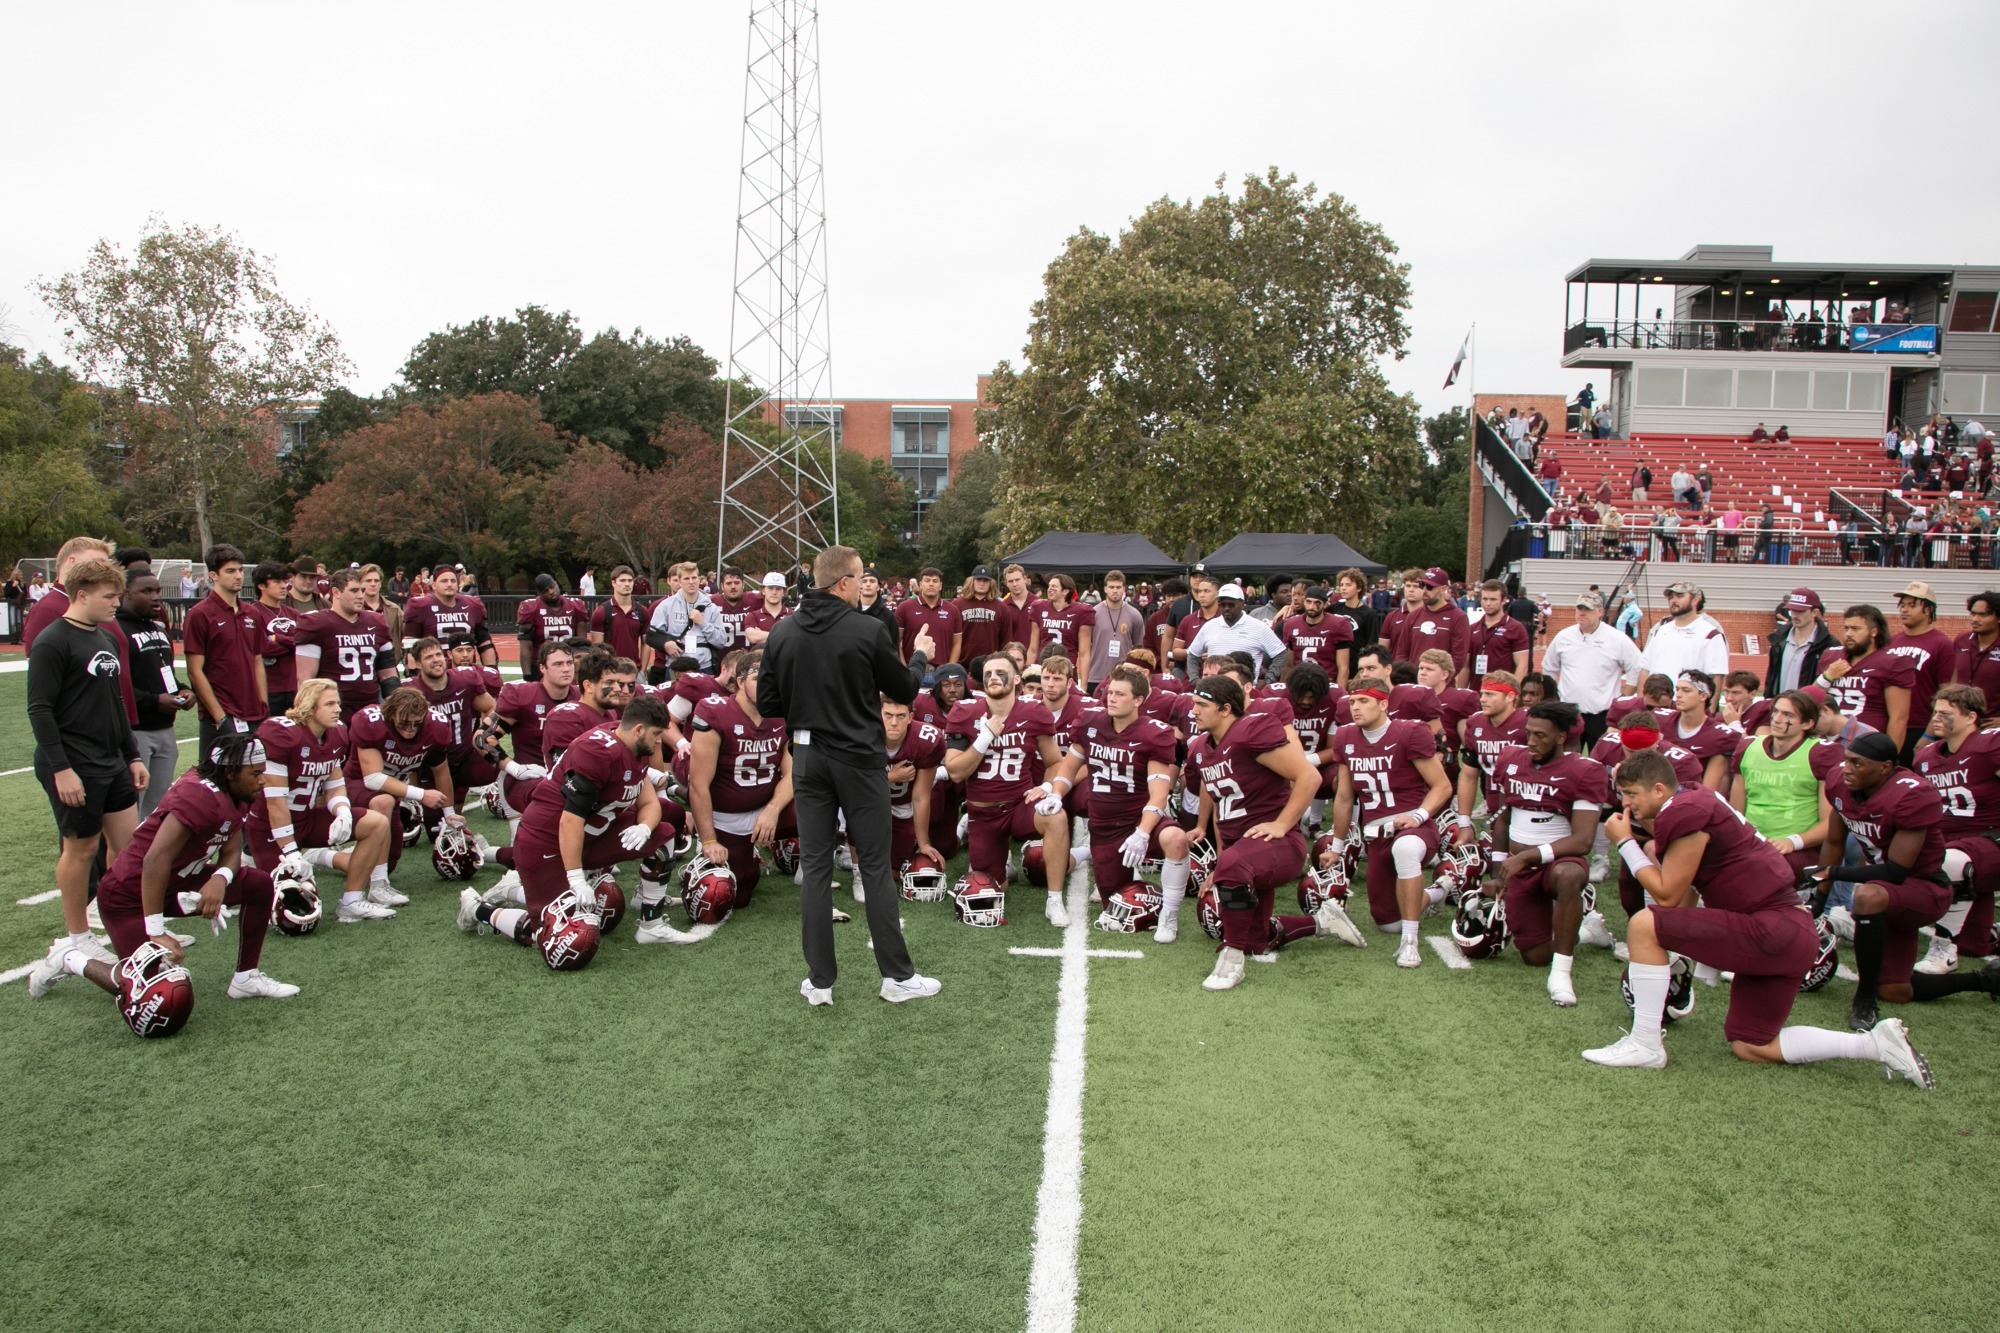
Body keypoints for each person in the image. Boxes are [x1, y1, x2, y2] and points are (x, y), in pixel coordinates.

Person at [1583, 749, 1935, 1087]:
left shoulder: (1682, 810)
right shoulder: (1693, 795)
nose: (1627, 804)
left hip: (1770, 929)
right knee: (1751, 1043)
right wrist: (1675, 947)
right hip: (1790, 934)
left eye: (1631, 794)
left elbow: (1666, 894)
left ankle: (1645, 1044)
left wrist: (1625, 843)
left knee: (1644, 923)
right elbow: (1682, 895)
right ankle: (1873, 1045)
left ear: (1659, 789)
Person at [757, 545, 939, 1005]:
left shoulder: (782, 631)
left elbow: (768, 704)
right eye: (859, 579)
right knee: (874, 866)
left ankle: (820, 983)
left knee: (816, 867)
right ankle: (897, 978)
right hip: (857, 759)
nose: (864, 586)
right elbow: (904, 689)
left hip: (808, 758)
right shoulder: (867, 629)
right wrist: (919, 656)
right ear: (842, 583)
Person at [26, 728, 301, 1023]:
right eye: (255, 772)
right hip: (128, 896)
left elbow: (232, 852)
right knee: (154, 994)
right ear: (231, 772)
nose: (263, 779)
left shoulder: (237, 791)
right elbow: (155, 859)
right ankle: (70, 959)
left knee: (258, 883)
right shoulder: (198, 795)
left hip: (178, 883)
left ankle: (245, 979)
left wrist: (220, 879)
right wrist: (156, 931)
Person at [457, 696, 678, 971]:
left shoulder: (632, 745)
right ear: (639, 730)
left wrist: (644, 826)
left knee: (662, 835)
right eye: (657, 734)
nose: (659, 742)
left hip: (591, 836)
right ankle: (481, 908)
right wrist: (576, 879)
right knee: (559, 939)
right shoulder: (598, 751)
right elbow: (570, 821)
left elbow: (648, 803)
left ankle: (651, 924)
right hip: (546, 841)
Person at [29, 556, 148, 962]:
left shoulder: (106, 638)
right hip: (72, 763)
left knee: (128, 845)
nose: (116, 603)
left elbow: (115, 702)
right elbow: (40, 710)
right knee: (80, 849)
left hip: (111, 759)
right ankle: (77, 934)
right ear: (81, 594)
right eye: (108, 596)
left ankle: (125, 920)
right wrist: (62, 770)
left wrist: (131, 755)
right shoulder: (52, 641)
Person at [1818, 733, 1967, 1034]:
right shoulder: (1840, 782)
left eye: (1857, 763)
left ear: (1885, 767)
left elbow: (1897, 871)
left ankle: (1865, 999)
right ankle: (1985, 980)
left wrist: (1831, 873)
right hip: (1885, 893)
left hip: (1924, 889)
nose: (1846, 768)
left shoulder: (1912, 794)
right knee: (1896, 991)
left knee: (1868, 896)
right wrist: (1817, 901)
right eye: (1846, 760)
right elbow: (1834, 841)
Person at [1189, 676, 1328, 989]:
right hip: (1244, 851)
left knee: (1239, 931)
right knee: (1257, 940)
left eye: (1202, 705)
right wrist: (1222, 862)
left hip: (1279, 845)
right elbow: (1222, 814)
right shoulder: (1201, 746)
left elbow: (1310, 777)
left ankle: (1232, 958)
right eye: (1194, 703)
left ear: (1226, 709)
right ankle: (1321, 922)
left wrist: (1282, 824)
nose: (1193, 711)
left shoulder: (1248, 732)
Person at [1479, 702, 1613, 1005]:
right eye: (1528, 733)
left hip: (1557, 862)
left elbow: (1581, 842)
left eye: (1541, 735)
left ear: (1562, 737)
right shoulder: (1511, 759)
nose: (1531, 741)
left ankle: (1562, 971)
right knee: (1534, 956)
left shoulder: (1584, 770)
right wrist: (1497, 871)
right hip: (1518, 867)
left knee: (1570, 875)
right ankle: (1588, 931)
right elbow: (1502, 818)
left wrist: (1528, 856)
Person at [1048, 664, 1188, 928]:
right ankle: (1093, 854)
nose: (1111, 698)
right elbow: (1069, 766)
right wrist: (1056, 793)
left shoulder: (1153, 733)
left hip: (1138, 819)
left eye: (1120, 694)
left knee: (1176, 839)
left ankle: (1169, 916)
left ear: (1138, 700)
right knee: (1117, 907)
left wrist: (1143, 833)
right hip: (1104, 827)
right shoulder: (1091, 723)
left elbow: (1159, 796)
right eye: (1110, 692)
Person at [244, 679, 395, 921]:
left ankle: (352, 901)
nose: (337, 709)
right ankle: (244, 875)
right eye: (330, 704)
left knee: (376, 823)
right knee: (297, 915)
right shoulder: (282, 735)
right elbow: (276, 803)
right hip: (270, 831)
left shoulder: (336, 734)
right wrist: (291, 852)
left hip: (306, 819)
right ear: (309, 707)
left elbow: (335, 786)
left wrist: (343, 811)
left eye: (338, 703)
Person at [1326, 679, 1453, 969]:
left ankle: (1410, 941)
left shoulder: (1409, 732)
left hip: (1413, 826)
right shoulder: (1346, 737)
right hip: (1375, 835)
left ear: (1384, 704)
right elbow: (1345, 797)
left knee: (1406, 849)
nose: (1355, 708)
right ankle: (1437, 892)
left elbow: (1442, 786)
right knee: (1388, 923)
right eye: (1352, 702)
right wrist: (1337, 846)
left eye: (1364, 701)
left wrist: (1418, 816)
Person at [663, 649, 793, 921]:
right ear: (739, 680)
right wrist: (709, 839)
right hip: (725, 816)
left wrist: (772, 810)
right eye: (759, 677)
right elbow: (699, 784)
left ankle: (812, 879)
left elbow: (794, 774)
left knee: (823, 804)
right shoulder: (716, 711)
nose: (767, 683)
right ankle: (706, 851)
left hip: (763, 808)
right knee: (734, 896)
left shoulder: (783, 713)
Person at [942, 655, 1072, 927]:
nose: (992, 677)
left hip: (1020, 805)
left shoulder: (1034, 712)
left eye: (1000, 672)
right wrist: (985, 736)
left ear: (1016, 679)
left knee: (1056, 816)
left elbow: (1055, 763)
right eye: (988, 673)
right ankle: (1002, 865)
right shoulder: (964, 712)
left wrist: (1047, 788)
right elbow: (955, 771)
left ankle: (1055, 899)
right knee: (991, 890)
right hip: (983, 812)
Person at [344, 686, 456, 904]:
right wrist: (421, 794)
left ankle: (322, 857)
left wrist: (449, 813)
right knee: (384, 801)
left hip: (392, 792)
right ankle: (378, 887)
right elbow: (373, 779)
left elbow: (441, 771)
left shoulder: (435, 727)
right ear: (390, 715)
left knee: (389, 861)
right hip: (356, 785)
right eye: (404, 723)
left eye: (417, 723)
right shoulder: (372, 723)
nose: (410, 729)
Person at [116, 568, 192, 819]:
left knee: (156, 806)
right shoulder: (115, 629)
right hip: (135, 731)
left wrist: (183, 690)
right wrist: (153, 701)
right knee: (130, 808)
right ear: (126, 593)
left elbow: (164, 673)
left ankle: (147, 857)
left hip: (165, 729)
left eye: (157, 591)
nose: (155, 597)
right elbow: (115, 687)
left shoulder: (159, 628)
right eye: (146, 591)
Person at [288, 568, 398, 723]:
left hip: (371, 710)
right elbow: (306, 680)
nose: (361, 596)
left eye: (362, 590)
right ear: (336, 592)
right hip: (332, 711)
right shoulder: (315, 623)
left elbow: (388, 675)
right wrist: (309, 716)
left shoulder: (377, 622)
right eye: (354, 590)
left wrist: (396, 704)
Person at [1540, 592, 1642, 748]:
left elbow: (1636, 667)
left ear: (1600, 612)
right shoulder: (1563, 637)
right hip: (1569, 714)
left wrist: (1623, 698)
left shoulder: (1616, 638)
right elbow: (1548, 668)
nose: (1581, 613)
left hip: (1602, 715)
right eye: (1579, 609)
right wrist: (1553, 699)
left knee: (1601, 761)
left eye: (1587, 609)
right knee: (1567, 761)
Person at [1818, 605, 1914, 755]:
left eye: (1855, 629)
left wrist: (1887, 756)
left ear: (1874, 632)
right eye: (1846, 628)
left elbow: (1899, 718)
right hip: (1825, 738)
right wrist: (1826, 676)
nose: (1848, 634)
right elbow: (1811, 699)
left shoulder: (1893, 662)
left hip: (1865, 743)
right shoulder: (1831, 656)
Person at [1887, 581, 1953, 761]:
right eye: (1903, 605)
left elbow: (1946, 693)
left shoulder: (1942, 644)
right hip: (1890, 723)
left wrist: (1929, 735)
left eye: (1912, 605)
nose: (1904, 610)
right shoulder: (1892, 641)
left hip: (1920, 726)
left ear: (1928, 610)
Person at [1186, 582, 1288, 682]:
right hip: (1214, 689)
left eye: (1231, 605)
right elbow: (1193, 655)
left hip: (1245, 690)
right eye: (1222, 604)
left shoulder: (1259, 627)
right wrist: (1194, 679)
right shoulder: (1209, 626)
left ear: (1242, 604)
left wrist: (1269, 678)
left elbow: (1281, 654)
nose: (1226, 608)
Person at [403, 564, 495, 669]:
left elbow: (485, 644)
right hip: (433, 674)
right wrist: (416, 677)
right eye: (444, 581)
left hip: (465, 672)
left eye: (453, 581)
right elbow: (410, 649)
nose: (449, 584)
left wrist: (491, 672)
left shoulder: (472, 605)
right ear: (433, 585)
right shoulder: (421, 606)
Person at [1640, 580, 1729, 681]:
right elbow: (1645, 668)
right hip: (1656, 695)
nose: (1673, 600)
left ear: (1695, 600)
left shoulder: (1710, 633)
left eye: (1679, 596)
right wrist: (1641, 696)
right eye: (1671, 597)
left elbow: (1716, 675)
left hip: (1688, 695)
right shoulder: (1660, 630)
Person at [1765, 588, 1836, 697]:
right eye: (1792, 610)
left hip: (1807, 710)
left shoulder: (1830, 645)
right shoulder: (1779, 640)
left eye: (1800, 611)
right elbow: (1771, 678)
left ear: (1814, 612)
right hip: (1779, 708)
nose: (1794, 615)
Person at [1279, 584, 1354, 687]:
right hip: (1299, 682)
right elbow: (1289, 665)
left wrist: (1340, 693)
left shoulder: (1338, 625)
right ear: (1304, 601)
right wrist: (1282, 688)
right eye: (1308, 602)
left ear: (1325, 605)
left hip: (1326, 683)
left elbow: (1343, 667)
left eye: (1317, 603)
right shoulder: (1291, 624)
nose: (1312, 607)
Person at [516, 574, 586, 680]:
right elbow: (526, 645)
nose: (550, 592)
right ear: (539, 594)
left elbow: (581, 644)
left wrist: (582, 669)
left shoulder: (575, 606)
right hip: (542, 665)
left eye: (552, 587)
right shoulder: (531, 608)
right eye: (545, 591)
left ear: (556, 584)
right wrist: (527, 675)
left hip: (568, 663)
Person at [1087, 569, 1147, 692]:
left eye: (1118, 587)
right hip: (1096, 676)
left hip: (1124, 677)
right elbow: (1085, 647)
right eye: (1111, 587)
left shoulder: (1134, 615)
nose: (1115, 590)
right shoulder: (1093, 613)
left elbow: (1138, 648)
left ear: (1124, 589)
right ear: (1105, 589)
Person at [1463, 578, 1529, 686]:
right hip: (1476, 693)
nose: (1488, 603)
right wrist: (1461, 693)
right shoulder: (1472, 629)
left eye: (1493, 599)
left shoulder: (1516, 628)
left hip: (1501, 695)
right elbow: (1465, 667)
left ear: (1503, 600)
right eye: (1485, 599)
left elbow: (1522, 666)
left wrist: (1512, 691)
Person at [706, 568, 757, 655]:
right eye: (729, 583)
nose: (733, 586)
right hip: (720, 660)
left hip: (749, 660)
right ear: (722, 586)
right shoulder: (710, 601)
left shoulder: (756, 599)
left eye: (737, 583)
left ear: (743, 584)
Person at [1331, 568, 1379, 651]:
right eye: (1341, 585)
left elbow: (1372, 644)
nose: (1343, 588)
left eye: (1348, 585)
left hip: (1358, 660)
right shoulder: (1335, 608)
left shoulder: (1369, 614)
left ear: (1359, 588)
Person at [743, 571, 792, 645]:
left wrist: (763, 635)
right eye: (770, 588)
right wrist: (785, 637)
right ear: (763, 591)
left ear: (783, 592)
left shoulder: (793, 615)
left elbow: (796, 640)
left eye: (778, 589)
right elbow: (753, 638)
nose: (774, 592)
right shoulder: (753, 616)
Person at [854, 565, 897, 637]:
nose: (868, 584)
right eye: (864, 581)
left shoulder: (888, 616)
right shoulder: (850, 611)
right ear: (859, 585)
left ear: (878, 587)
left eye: (872, 581)